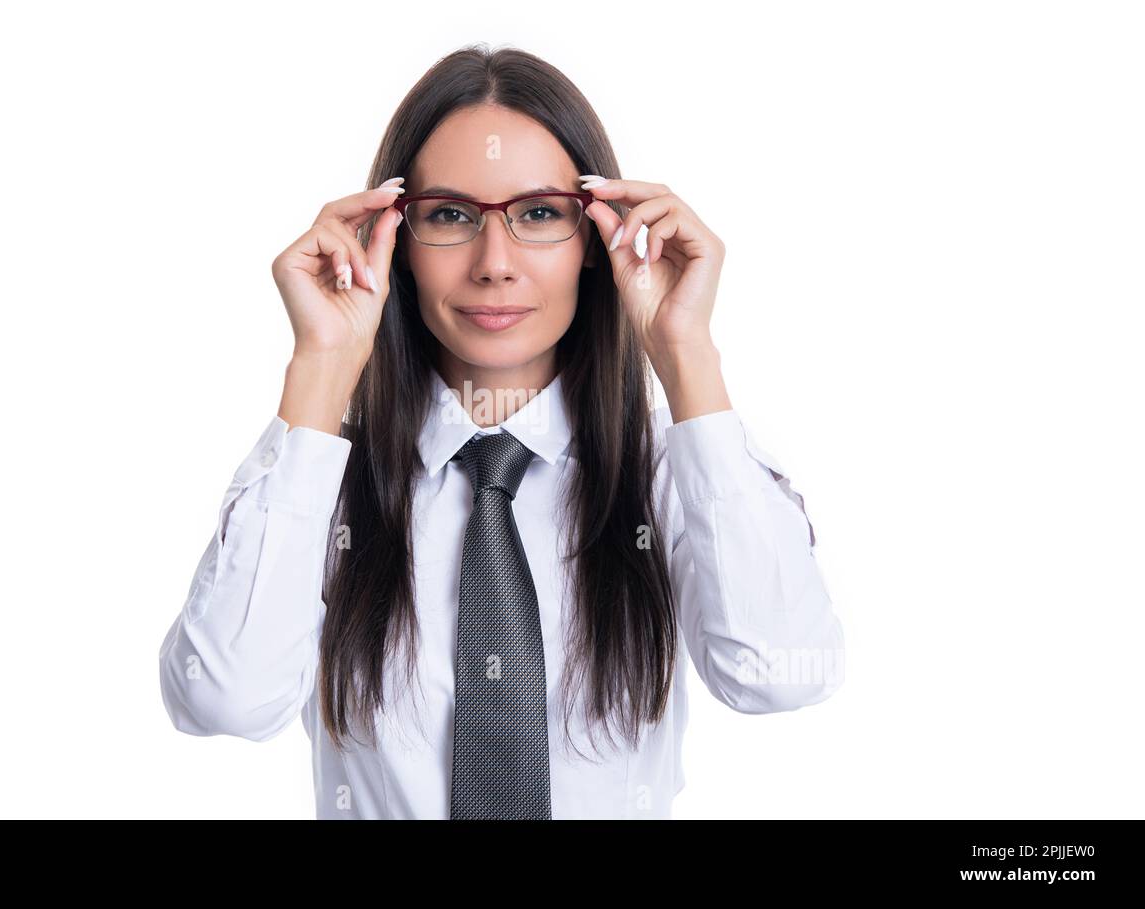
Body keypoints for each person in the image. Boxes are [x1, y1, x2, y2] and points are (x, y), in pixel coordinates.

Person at [158, 44, 844, 820]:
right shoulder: (324, 479)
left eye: (539, 214)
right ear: (397, 241)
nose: (495, 263)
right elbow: (225, 700)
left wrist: (685, 355)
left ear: (595, 240)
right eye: (449, 215)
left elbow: (778, 675)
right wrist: (320, 366)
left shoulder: (664, 470)